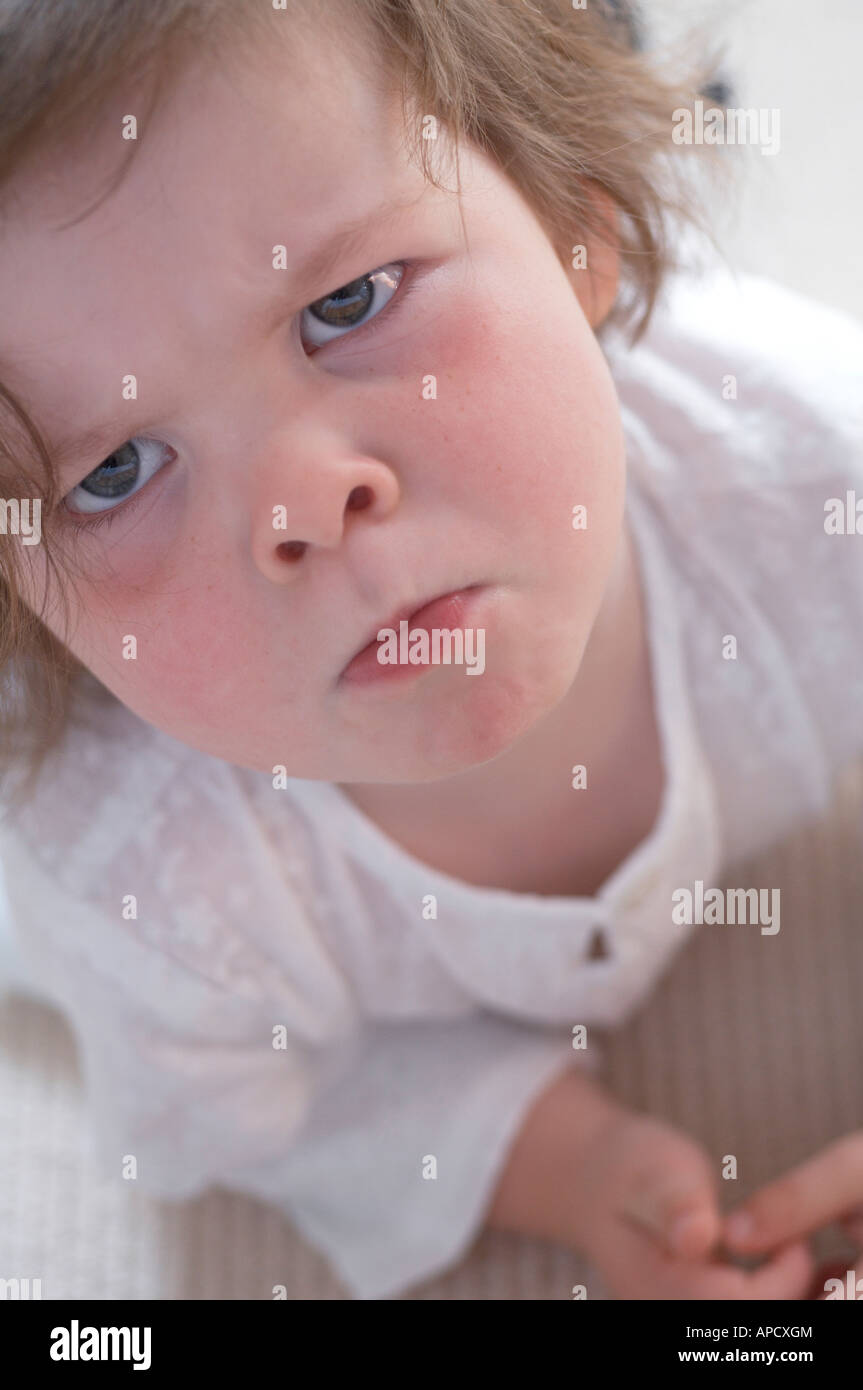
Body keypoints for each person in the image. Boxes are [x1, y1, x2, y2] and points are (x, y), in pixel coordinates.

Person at [0, 0, 860, 1300]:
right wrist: (564, 1160)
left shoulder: (810, 475)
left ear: (579, 221)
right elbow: (289, 1109)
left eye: (348, 302)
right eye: (116, 471)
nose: (299, 501)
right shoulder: (144, 891)